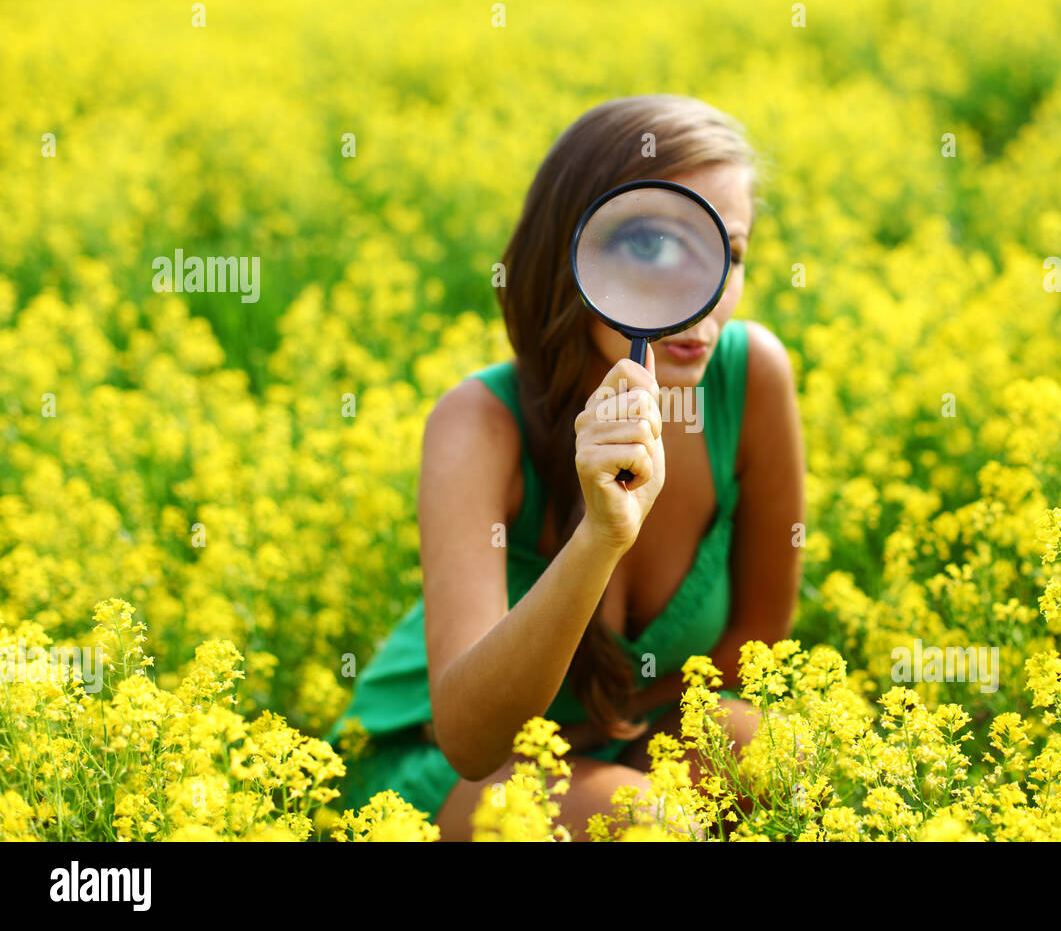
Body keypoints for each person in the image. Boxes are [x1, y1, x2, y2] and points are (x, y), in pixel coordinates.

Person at [328, 93, 804, 840]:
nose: (701, 296)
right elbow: (472, 741)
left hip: (632, 738)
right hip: (443, 769)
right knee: (647, 822)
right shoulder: (477, 424)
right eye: (652, 244)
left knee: (778, 755)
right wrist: (600, 540)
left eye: (729, 252)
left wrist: (634, 742)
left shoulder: (753, 377)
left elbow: (752, 642)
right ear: (571, 251)